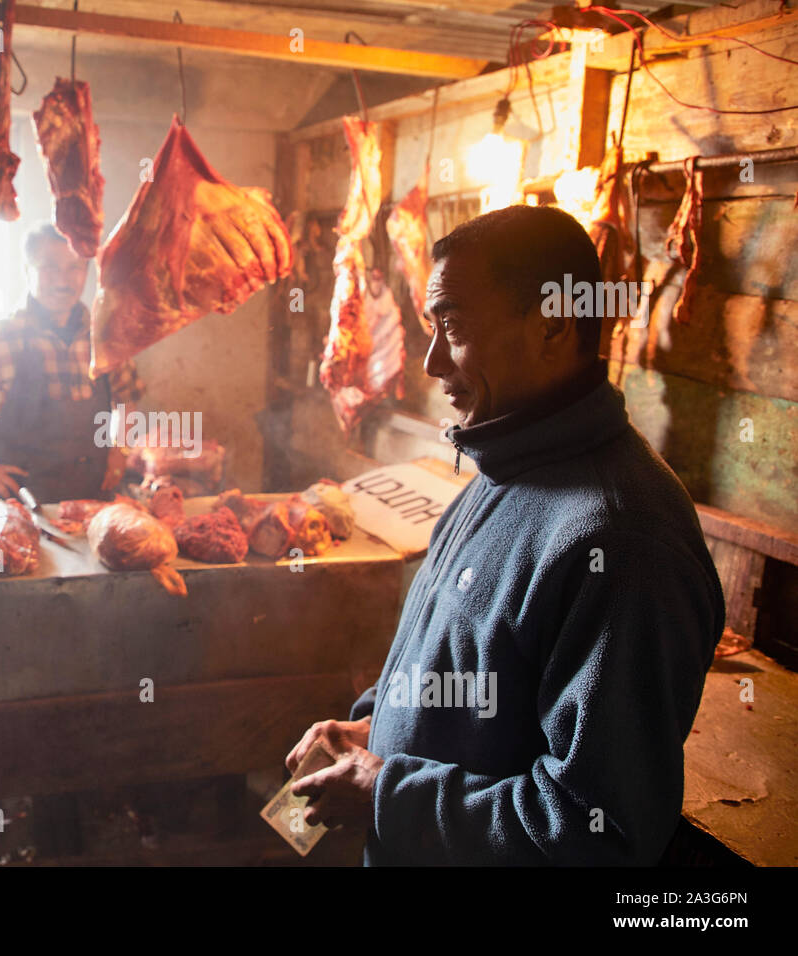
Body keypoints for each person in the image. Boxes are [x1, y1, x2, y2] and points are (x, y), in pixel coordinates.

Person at [286, 204, 725, 865]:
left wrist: (387, 793)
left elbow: (595, 828)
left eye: (453, 327)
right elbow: (475, 674)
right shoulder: (504, 469)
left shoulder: (623, 540)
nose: (432, 361)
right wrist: (378, 724)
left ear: (551, 327)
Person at [0, 222, 144, 502]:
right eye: (50, 267)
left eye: (74, 268)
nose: (63, 280)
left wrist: (120, 450)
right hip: (16, 509)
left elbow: (129, 396)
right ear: (27, 270)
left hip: (91, 504)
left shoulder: (104, 338)